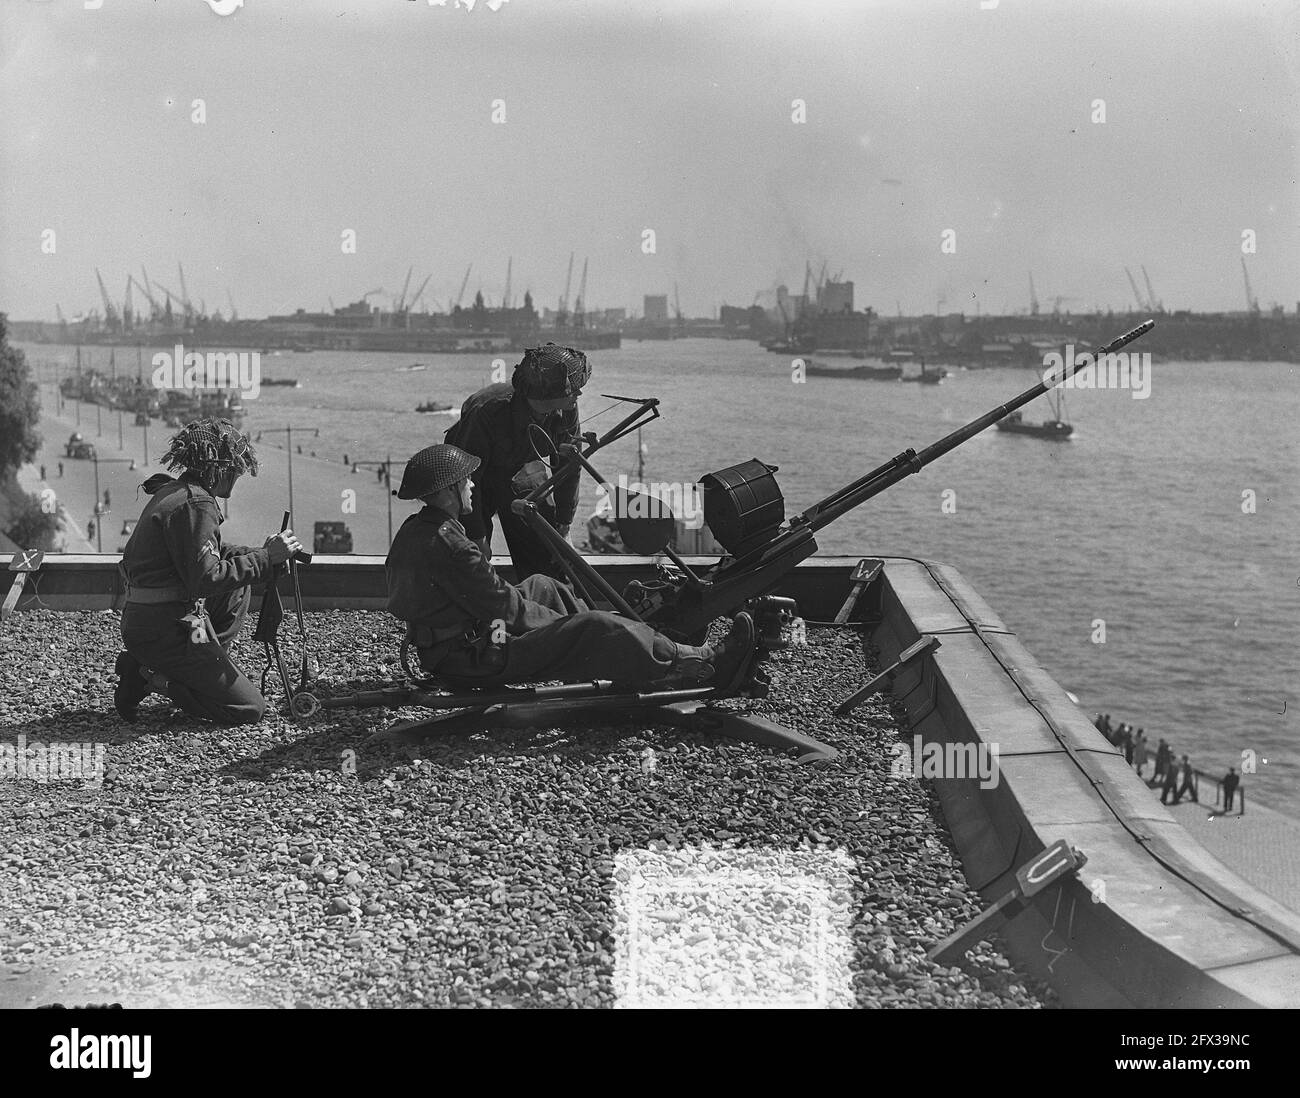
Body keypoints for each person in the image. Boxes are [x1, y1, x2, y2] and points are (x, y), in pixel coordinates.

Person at [385, 443, 755, 690]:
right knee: (592, 626)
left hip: (460, 643)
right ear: (448, 491)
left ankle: (635, 644)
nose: (470, 484)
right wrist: (566, 628)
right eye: (464, 480)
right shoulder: (452, 545)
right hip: (475, 657)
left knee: (544, 585)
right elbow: (504, 608)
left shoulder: (419, 529)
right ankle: (704, 663)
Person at [112, 418, 302, 725]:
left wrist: (263, 554)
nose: (239, 472)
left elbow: (213, 558)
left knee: (239, 586)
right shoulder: (196, 504)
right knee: (250, 709)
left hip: (148, 622)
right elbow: (206, 578)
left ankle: (184, 666)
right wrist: (267, 558)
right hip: (165, 631)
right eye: (236, 466)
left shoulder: (176, 491)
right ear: (219, 467)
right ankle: (157, 679)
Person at [444, 343, 588, 580]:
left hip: (521, 470)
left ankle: (548, 608)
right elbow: (466, 480)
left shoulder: (566, 406)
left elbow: (570, 466)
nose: (578, 395)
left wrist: (564, 520)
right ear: (548, 394)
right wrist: (477, 536)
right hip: (472, 478)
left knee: (548, 552)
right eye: (572, 390)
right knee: (470, 557)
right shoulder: (487, 412)